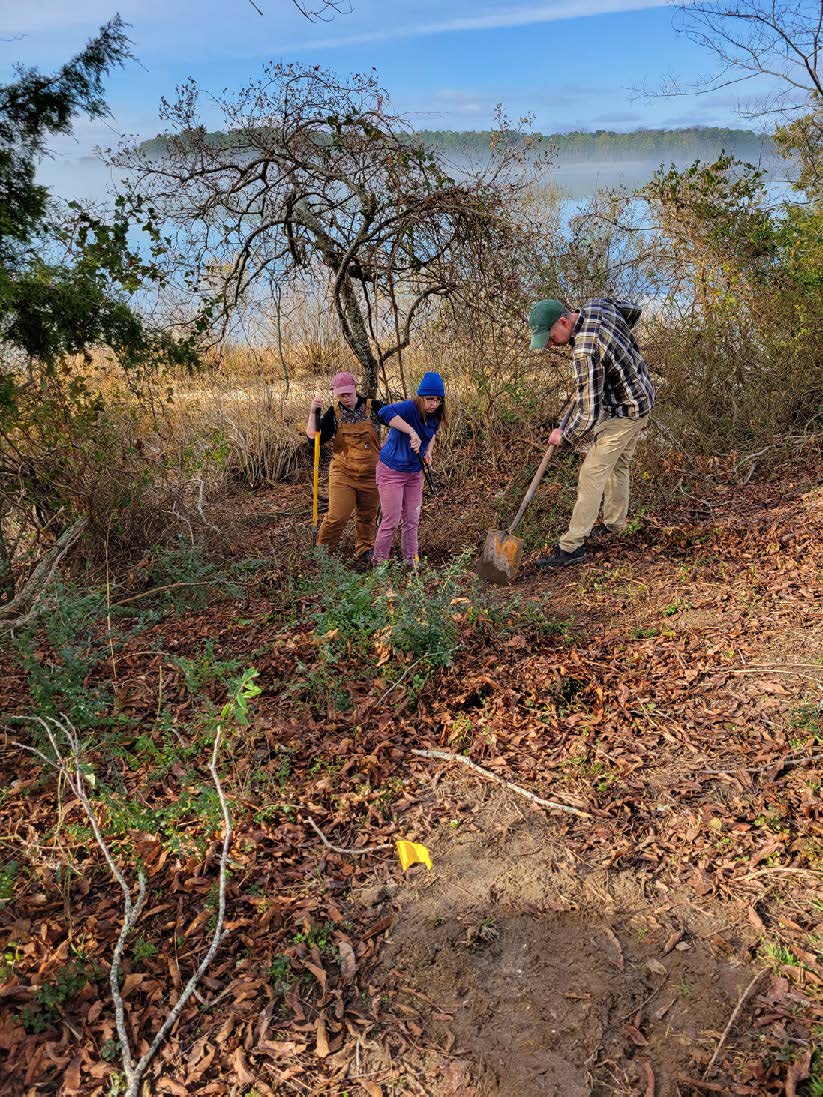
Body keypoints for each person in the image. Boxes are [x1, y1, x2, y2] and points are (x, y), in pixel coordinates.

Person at [528, 297, 655, 568]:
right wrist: (618, 350)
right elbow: (633, 311)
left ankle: (572, 546)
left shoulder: (585, 351)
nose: (550, 344)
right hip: (643, 396)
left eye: (550, 337)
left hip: (625, 411)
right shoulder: (598, 306)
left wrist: (564, 436)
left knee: (591, 473)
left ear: (563, 321)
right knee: (619, 465)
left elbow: (588, 414)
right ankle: (614, 525)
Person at [306, 371, 384, 561]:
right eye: (341, 395)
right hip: (343, 473)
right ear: (336, 394)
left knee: (367, 515)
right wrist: (313, 412)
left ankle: (365, 549)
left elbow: (397, 420)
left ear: (355, 390)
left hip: (371, 472)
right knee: (337, 515)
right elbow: (314, 439)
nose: (345, 398)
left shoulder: (374, 407)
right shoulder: (334, 413)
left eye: (348, 394)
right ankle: (322, 552)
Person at [372, 372, 447, 566]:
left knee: (412, 518)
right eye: (430, 399)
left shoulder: (435, 416)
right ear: (421, 397)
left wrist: (428, 451)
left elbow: (431, 435)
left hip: (414, 473)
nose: (434, 404)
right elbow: (383, 412)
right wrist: (411, 431)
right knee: (391, 519)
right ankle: (380, 562)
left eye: (438, 400)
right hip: (391, 471)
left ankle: (411, 560)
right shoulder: (408, 408)